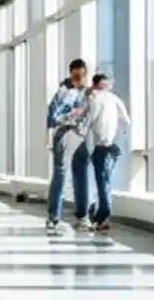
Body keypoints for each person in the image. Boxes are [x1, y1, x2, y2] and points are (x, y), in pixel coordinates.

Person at [44, 58, 93, 235]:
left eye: (82, 76)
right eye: (76, 76)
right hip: (65, 133)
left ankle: (82, 216)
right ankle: (53, 218)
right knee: (61, 172)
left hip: (80, 135)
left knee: (81, 172)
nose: (80, 79)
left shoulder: (85, 92)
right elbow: (54, 115)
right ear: (71, 74)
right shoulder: (65, 91)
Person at [84, 73, 132, 240]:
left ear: (95, 85)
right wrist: (117, 137)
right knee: (106, 181)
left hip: (102, 146)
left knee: (102, 181)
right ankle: (102, 217)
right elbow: (126, 122)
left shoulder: (96, 99)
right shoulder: (115, 99)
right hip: (114, 147)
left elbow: (89, 121)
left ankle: (102, 217)